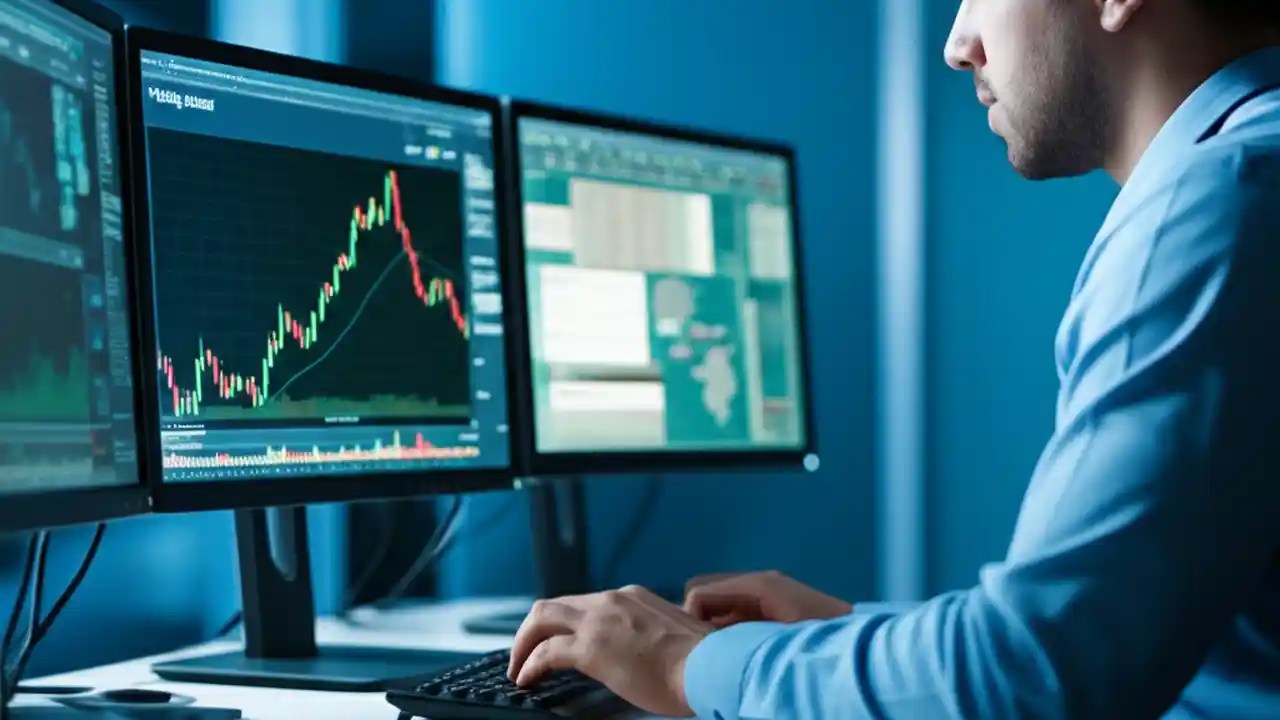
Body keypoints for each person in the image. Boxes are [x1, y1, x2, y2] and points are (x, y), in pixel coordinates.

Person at [507, 0, 1280, 717]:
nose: (955, 44)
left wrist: (691, 666)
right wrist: (844, 634)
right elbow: (1133, 630)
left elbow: (1034, 678)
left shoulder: (1216, 207)